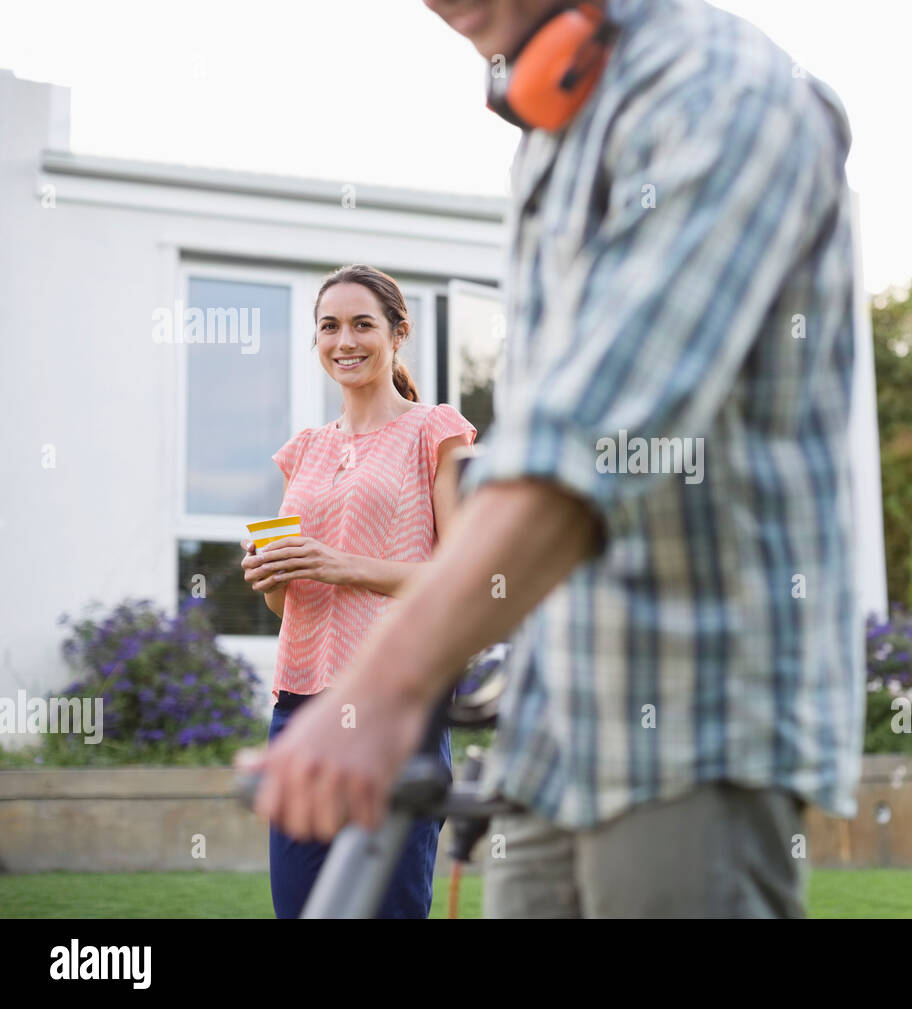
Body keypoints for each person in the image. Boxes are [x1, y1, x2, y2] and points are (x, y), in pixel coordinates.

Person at [240, 0, 864, 918]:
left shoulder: (715, 89)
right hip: (550, 729)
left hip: (692, 717)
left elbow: (587, 445)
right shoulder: (556, 125)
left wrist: (379, 691)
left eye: (359, 324)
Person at [241, 264, 475, 918]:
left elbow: (465, 577)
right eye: (329, 326)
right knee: (302, 909)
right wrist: (272, 574)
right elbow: (285, 605)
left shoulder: (437, 432)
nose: (345, 339)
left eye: (362, 323)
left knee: (385, 907)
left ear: (399, 333)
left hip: (394, 705)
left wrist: (340, 562)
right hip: (299, 710)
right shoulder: (305, 450)